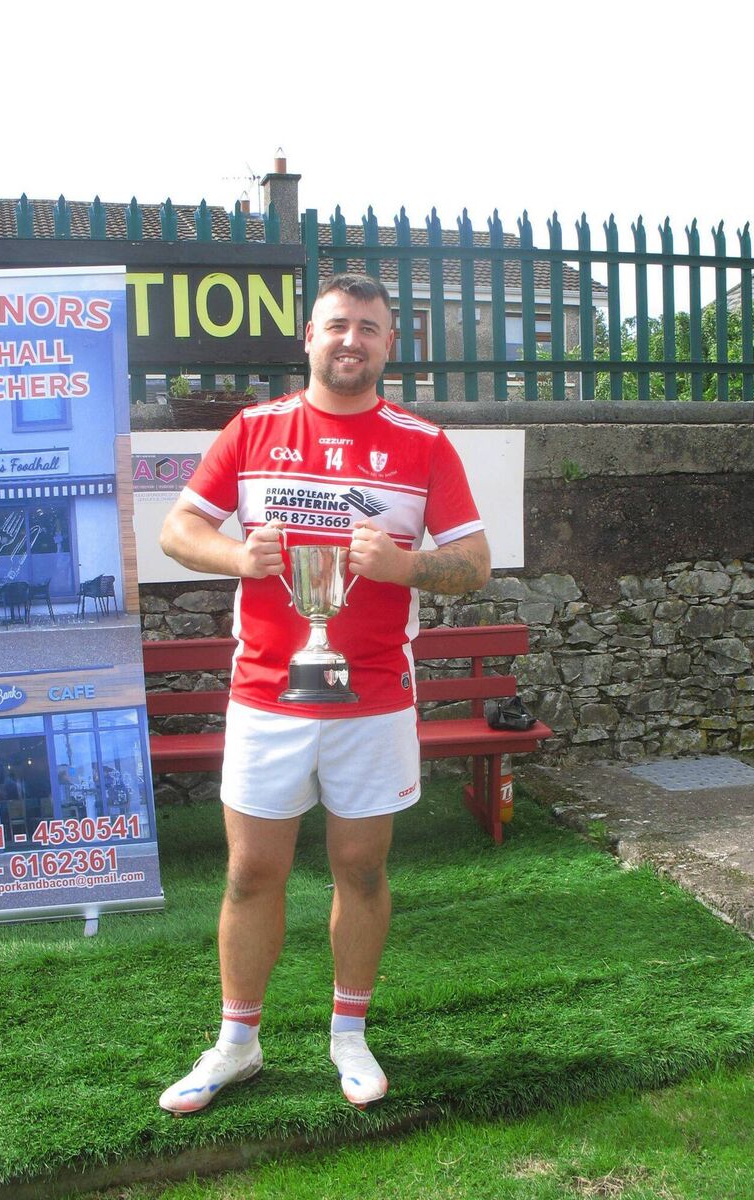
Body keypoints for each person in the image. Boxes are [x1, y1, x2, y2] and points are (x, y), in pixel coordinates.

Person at [157, 273, 490, 1115]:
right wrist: (239, 558)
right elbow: (177, 529)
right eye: (337, 325)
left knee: (362, 867)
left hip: (374, 698)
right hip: (267, 695)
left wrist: (405, 565)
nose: (352, 341)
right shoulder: (254, 429)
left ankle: (349, 1034)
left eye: (369, 329)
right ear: (309, 337)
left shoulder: (424, 443)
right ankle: (237, 1044)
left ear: (388, 345)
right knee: (249, 871)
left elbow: (475, 563)